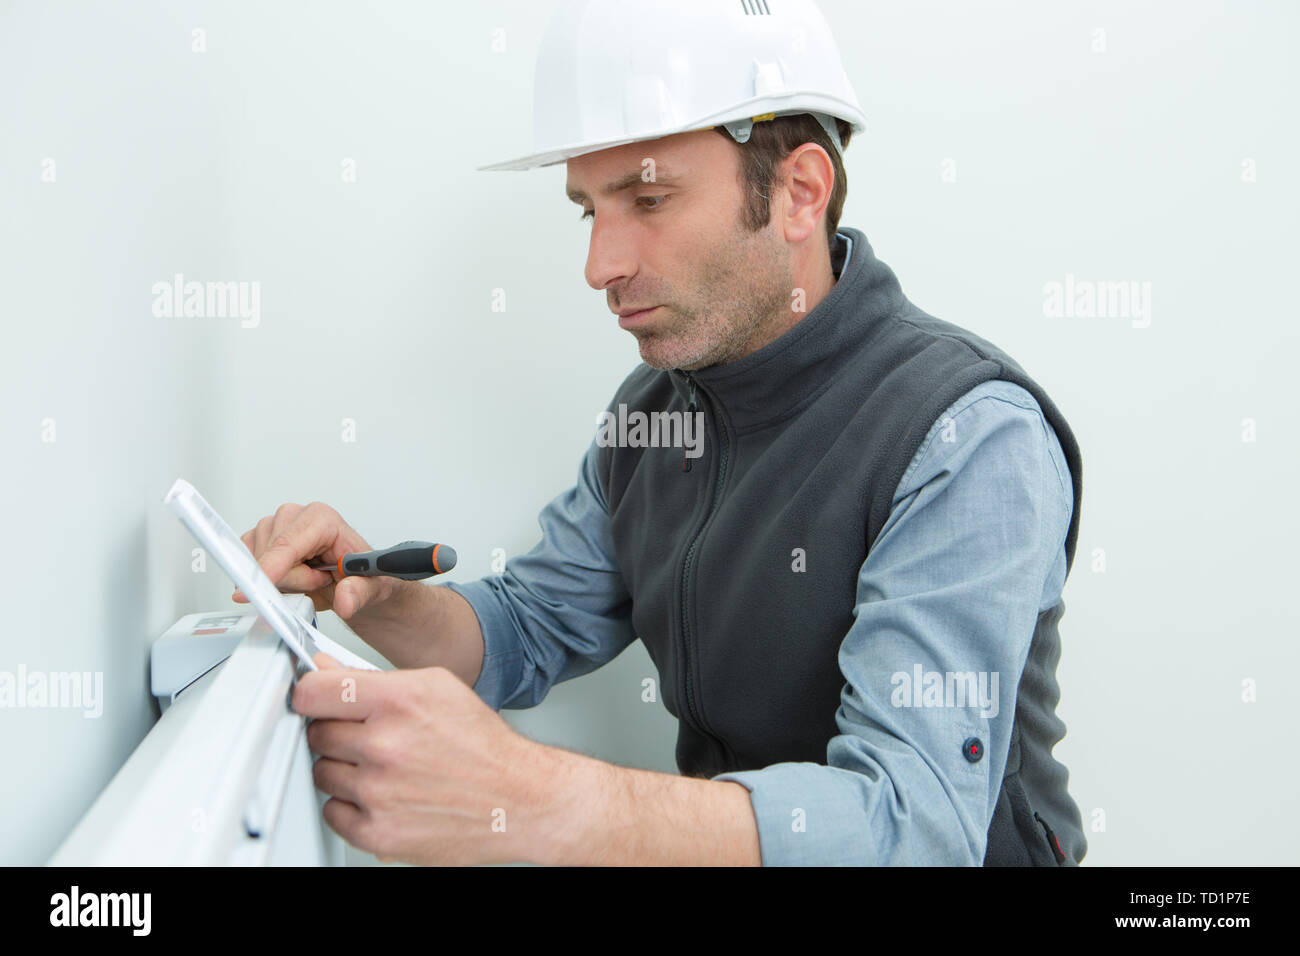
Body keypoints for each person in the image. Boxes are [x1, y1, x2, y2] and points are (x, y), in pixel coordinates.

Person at [236, 0, 1086, 866]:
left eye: (648, 197)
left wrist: (536, 801)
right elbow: (529, 629)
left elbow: (912, 823)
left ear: (799, 193)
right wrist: (382, 595)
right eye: (587, 210)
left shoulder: (964, 436)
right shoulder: (653, 414)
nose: (600, 265)